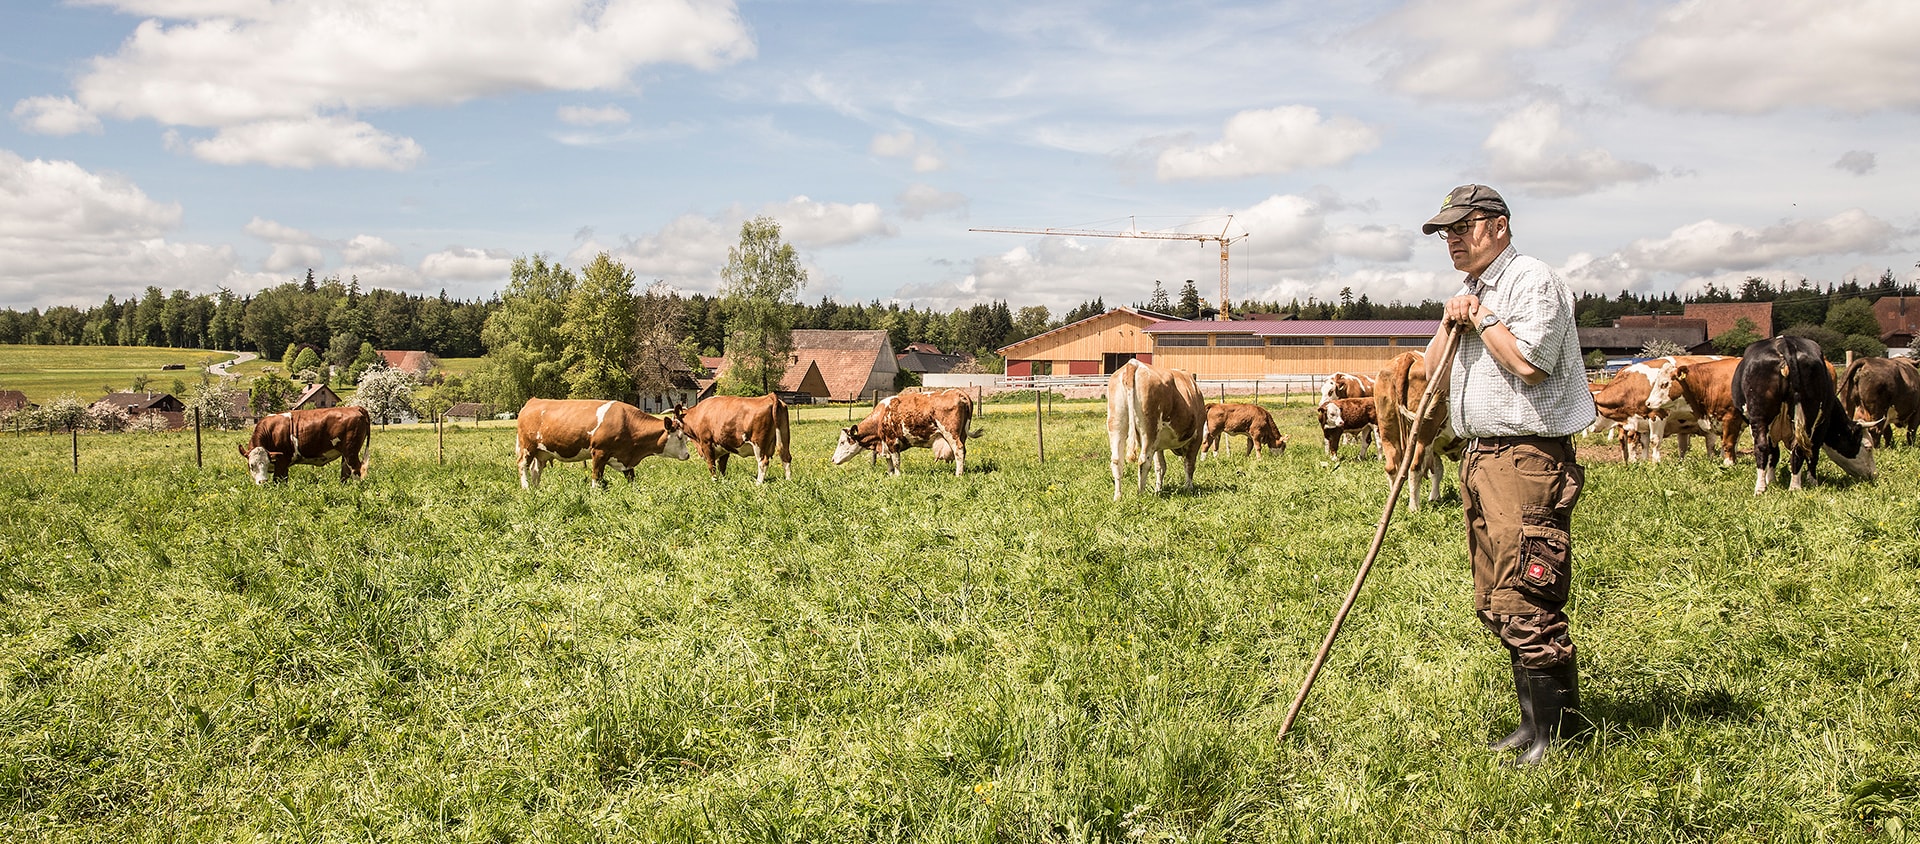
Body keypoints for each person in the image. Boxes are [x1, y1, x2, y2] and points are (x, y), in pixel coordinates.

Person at [1421, 184, 1597, 765]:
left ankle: (1560, 733)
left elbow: (1530, 364)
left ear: (1498, 225)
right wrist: (1452, 321)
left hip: (1525, 456)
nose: (1452, 240)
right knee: (1496, 598)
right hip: (1480, 456)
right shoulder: (1469, 291)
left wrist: (1483, 315)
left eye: (1461, 228)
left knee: (1527, 593)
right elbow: (1430, 373)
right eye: (1445, 232)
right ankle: (1535, 726)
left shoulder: (1530, 282)